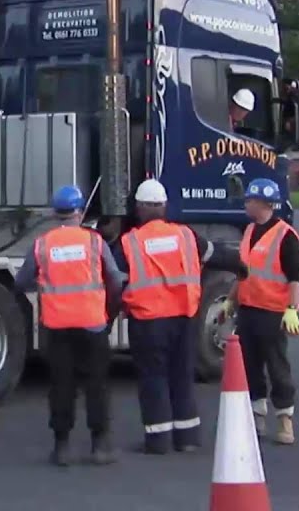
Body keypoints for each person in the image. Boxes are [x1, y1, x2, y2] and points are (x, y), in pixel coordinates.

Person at [14, 184, 126, 466]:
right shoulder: (94, 242)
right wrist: (109, 311)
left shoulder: (42, 244)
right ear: (80, 212)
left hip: (57, 326)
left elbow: (22, 282)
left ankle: (62, 447)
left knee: (61, 385)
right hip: (92, 323)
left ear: (55, 213)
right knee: (96, 384)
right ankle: (99, 445)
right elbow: (114, 278)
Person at [114, 179, 214, 454]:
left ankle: (158, 439)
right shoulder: (185, 235)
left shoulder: (129, 242)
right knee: (181, 375)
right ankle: (188, 438)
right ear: (164, 206)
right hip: (184, 317)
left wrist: (111, 312)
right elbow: (212, 253)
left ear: (140, 209)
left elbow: (115, 281)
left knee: (153, 378)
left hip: (148, 321)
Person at [227, 178, 299, 445]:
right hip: (248, 310)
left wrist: (292, 309)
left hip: (273, 312)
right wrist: (230, 302)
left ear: (262, 203)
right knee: (251, 367)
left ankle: (285, 420)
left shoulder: (285, 236)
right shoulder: (249, 231)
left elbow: (296, 276)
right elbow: (243, 273)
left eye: (249, 200)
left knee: (277, 366)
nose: (246, 204)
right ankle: (256, 418)